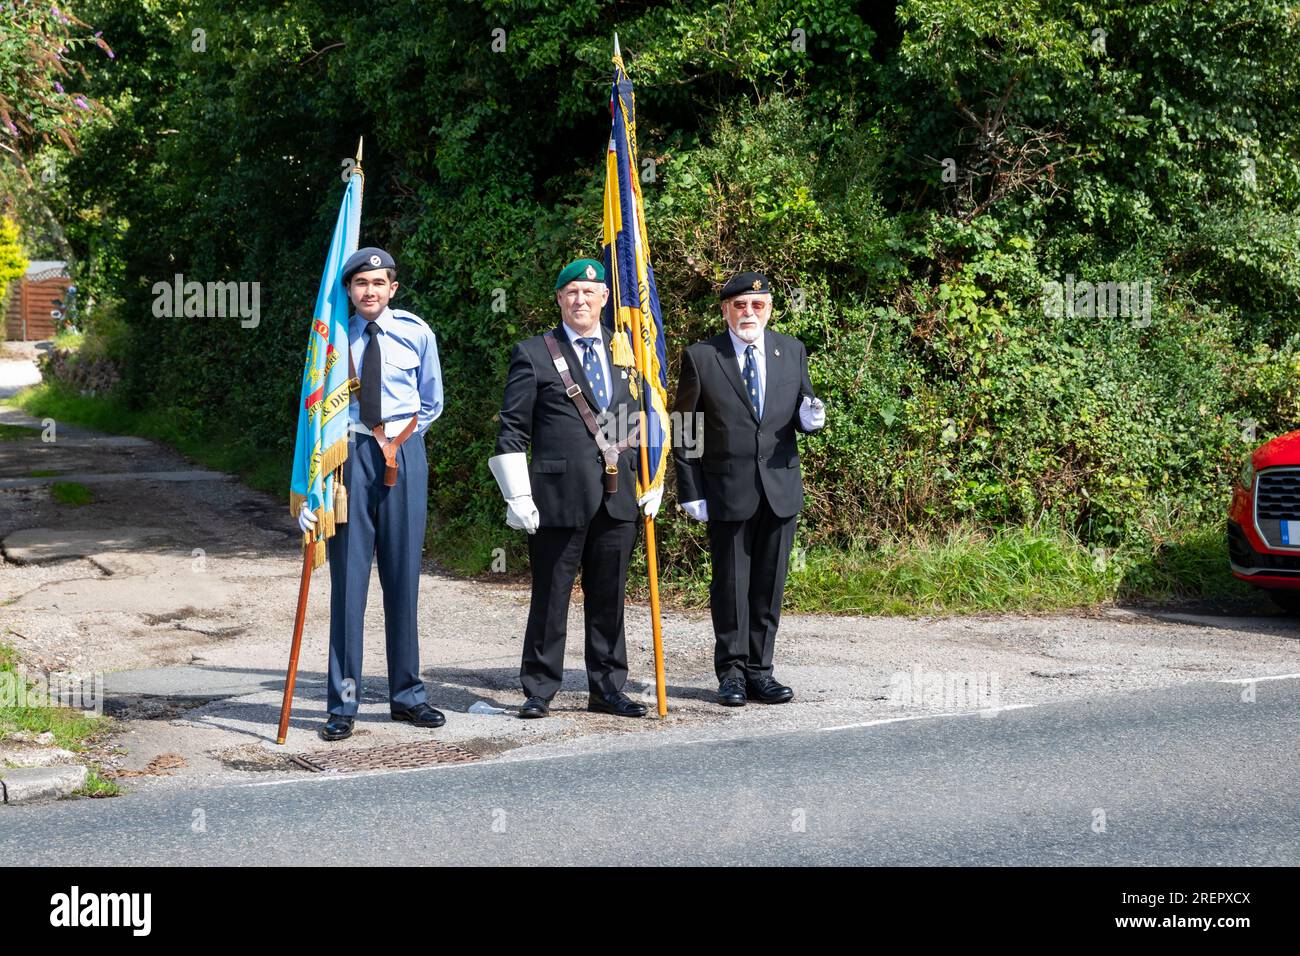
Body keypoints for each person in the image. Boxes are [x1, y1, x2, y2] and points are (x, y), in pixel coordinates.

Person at [488, 258, 662, 719]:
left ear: (605, 298)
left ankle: (607, 687)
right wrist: (517, 495)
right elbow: (512, 429)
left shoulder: (628, 351)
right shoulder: (534, 353)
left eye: (590, 293)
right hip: (558, 497)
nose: (580, 300)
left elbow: (646, 418)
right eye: (571, 293)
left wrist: (655, 477)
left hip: (619, 492)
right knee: (551, 595)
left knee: (610, 596)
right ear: (560, 300)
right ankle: (540, 689)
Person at [297, 246, 445, 741]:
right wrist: (314, 485)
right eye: (361, 284)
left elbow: (432, 399)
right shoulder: (332, 339)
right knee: (349, 585)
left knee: (403, 578)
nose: (370, 292)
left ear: (393, 289)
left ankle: (408, 696)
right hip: (350, 461)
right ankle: (343, 702)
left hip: (403, 457)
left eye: (379, 283)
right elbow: (314, 416)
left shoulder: (417, 333)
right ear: (349, 290)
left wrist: (397, 442)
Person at [672, 271, 825, 706]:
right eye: (739, 305)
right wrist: (690, 488)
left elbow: (802, 407)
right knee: (731, 585)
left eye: (757, 305)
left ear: (769, 309)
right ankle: (733, 673)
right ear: (725, 311)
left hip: (779, 486)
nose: (748, 313)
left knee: (769, 584)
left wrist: (810, 420)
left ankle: (762, 671)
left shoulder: (791, 350)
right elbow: (686, 428)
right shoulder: (703, 357)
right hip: (726, 489)